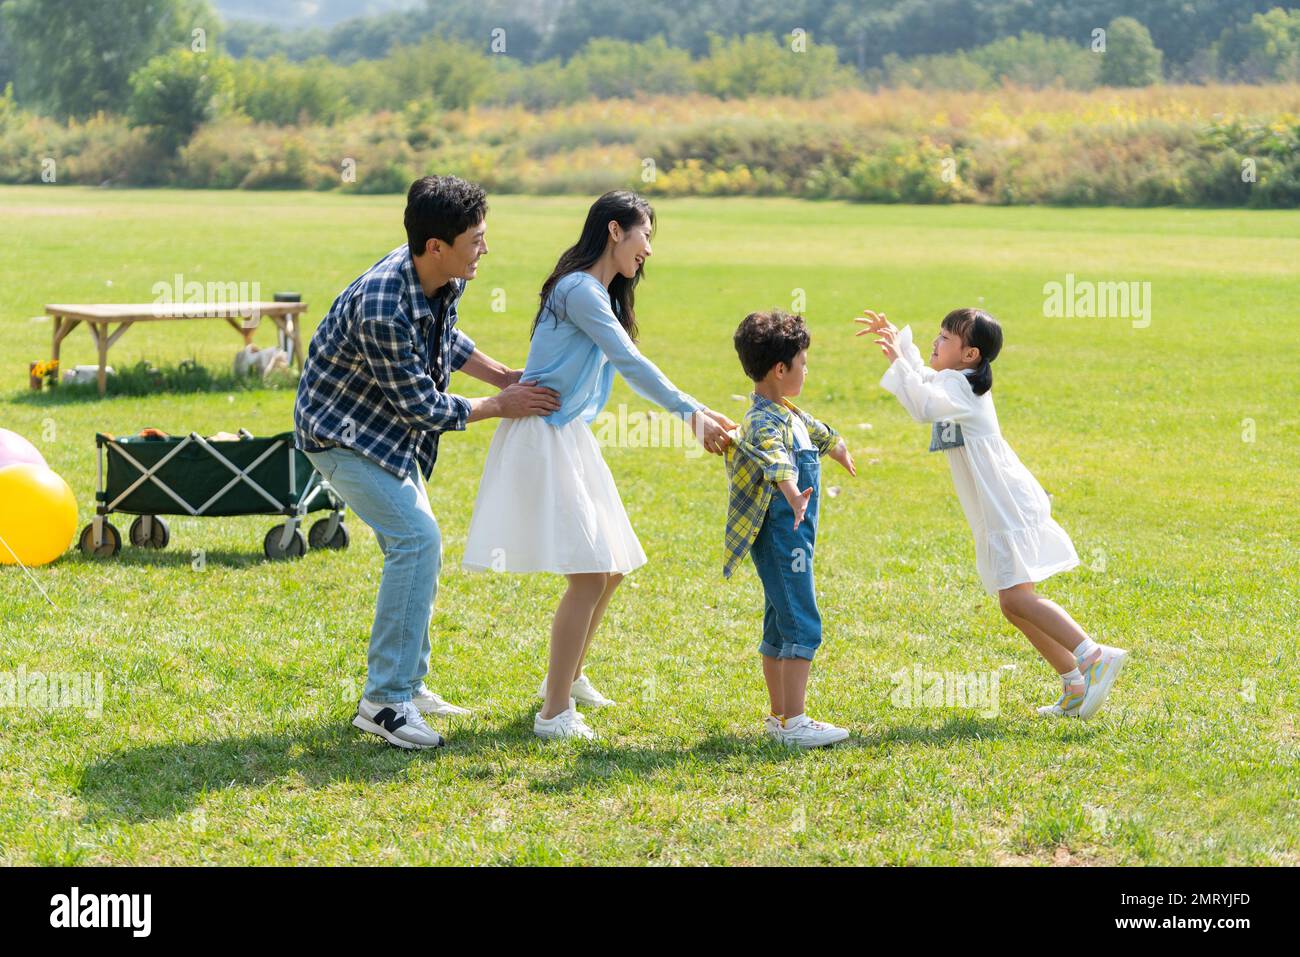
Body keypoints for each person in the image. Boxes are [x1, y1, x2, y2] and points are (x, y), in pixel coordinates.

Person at [294, 175, 561, 750]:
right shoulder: (383, 306)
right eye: (476, 239)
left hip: (383, 431)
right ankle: (384, 703)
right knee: (417, 540)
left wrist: (503, 376)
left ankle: (407, 686)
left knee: (417, 545)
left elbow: (447, 340)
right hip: (341, 435)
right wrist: (501, 404)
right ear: (435, 245)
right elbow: (421, 406)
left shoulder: (443, 275)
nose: (484, 248)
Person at [462, 190, 736, 740]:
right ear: (615, 231)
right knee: (588, 574)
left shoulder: (592, 293)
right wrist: (692, 413)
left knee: (608, 568)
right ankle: (554, 714)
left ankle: (565, 681)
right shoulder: (579, 290)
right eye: (645, 235)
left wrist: (697, 411)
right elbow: (628, 361)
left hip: (567, 434)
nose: (649, 251)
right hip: (542, 436)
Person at [859, 307, 1127, 719]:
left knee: (1018, 598)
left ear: (971, 355)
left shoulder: (962, 388)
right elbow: (925, 387)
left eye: (947, 337)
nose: (937, 341)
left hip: (1004, 504)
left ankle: (1093, 655)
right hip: (998, 503)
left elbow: (923, 405)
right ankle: (1074, 682)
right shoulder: (956, 381)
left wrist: (899, 356)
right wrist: (903, 352)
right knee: (1013, 602)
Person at [723, 310, 857, 747]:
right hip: (784, 534)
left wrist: (836, 446)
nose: (807, 368)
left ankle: (781, 717)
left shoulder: (785, 410)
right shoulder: (763, 422)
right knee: (801, 621)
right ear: (780, 370)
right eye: (802, 362)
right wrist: (793, 491)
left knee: (780, 621)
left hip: (794, 533)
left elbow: (813, 429)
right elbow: (776, 459)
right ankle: (795, 721)